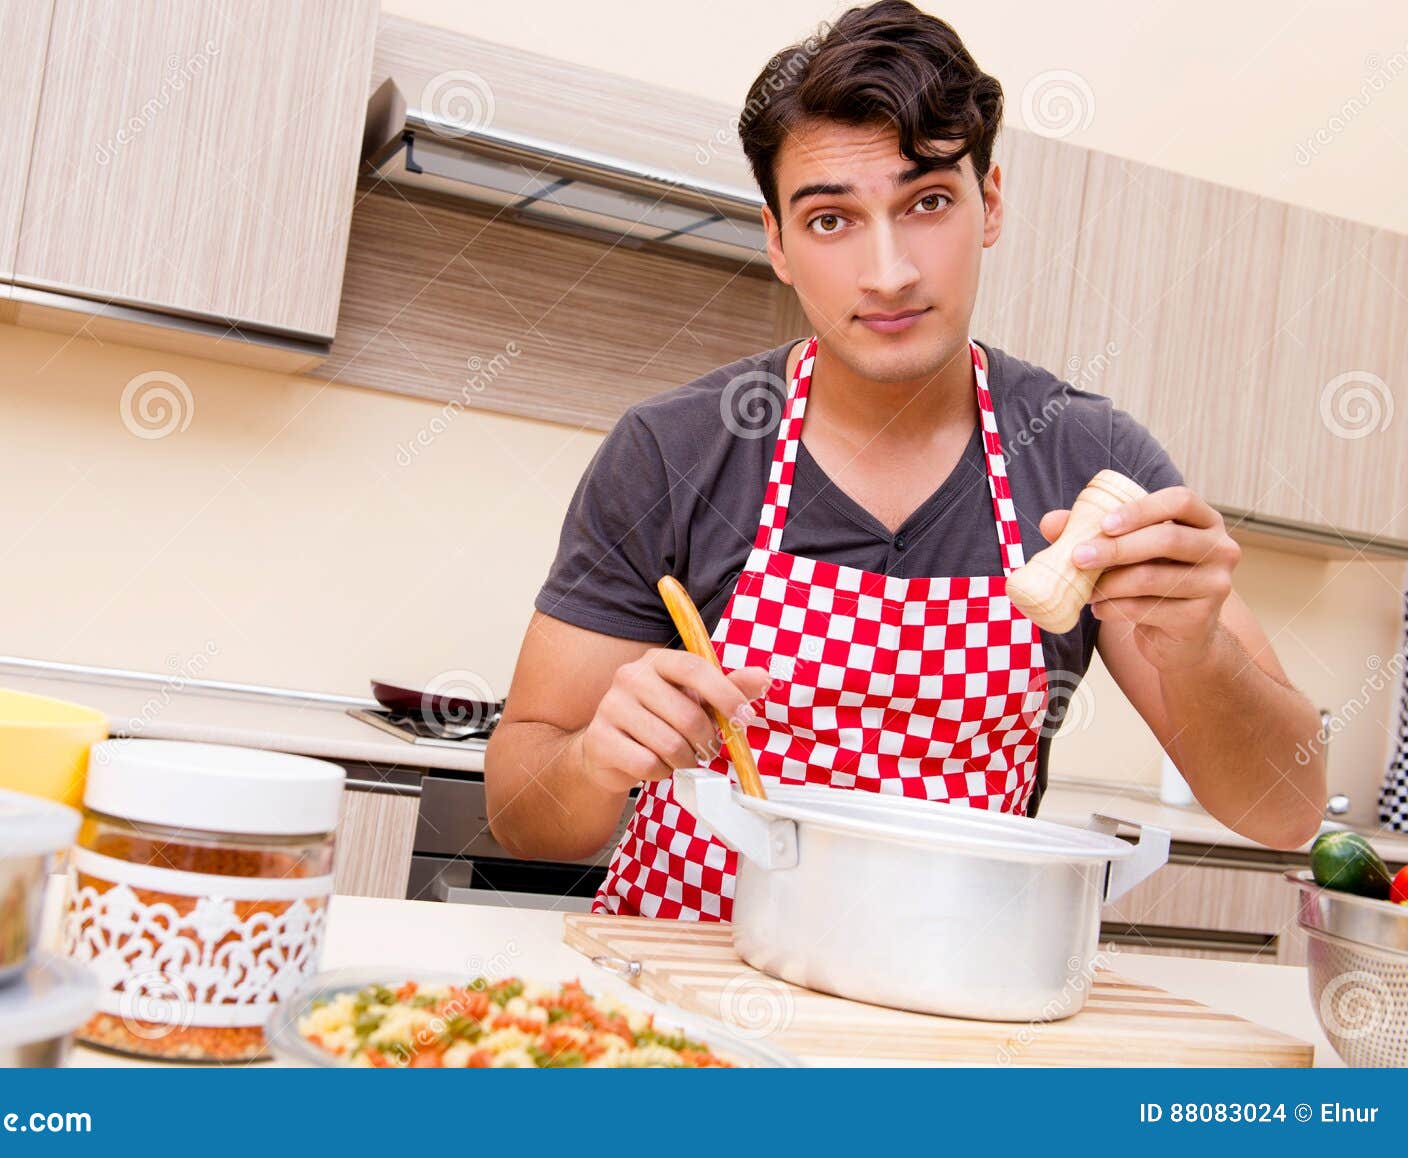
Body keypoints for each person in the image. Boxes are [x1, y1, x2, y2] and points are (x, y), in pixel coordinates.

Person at [485, 1, 1324, 921]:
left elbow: (1284, 811)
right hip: (687, 1012)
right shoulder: (675, 450)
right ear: (776, 242)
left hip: (945, 1012)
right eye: (832, 220)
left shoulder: (1090, 459)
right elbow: (524, 818)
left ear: (989, 203)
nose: (888, 272)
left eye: (926, 203)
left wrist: (1200, 652)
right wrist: (596, 755)